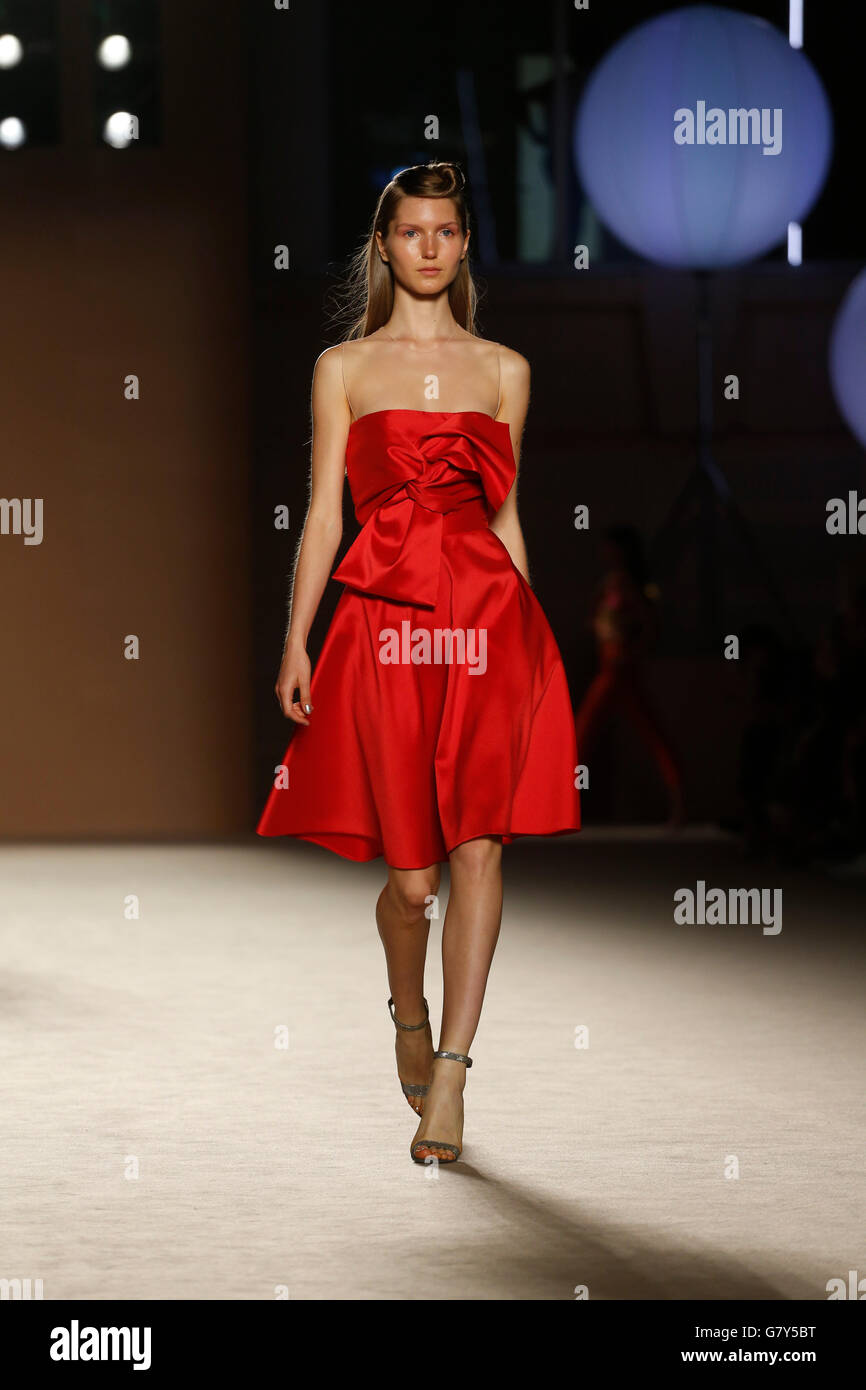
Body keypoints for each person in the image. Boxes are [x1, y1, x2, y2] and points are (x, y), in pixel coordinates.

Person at [257, 161, 581, 1165]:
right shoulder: (342, 369)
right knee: (411, 879)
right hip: (385, 627)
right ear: (383, 246)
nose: (430, 247)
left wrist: (532, 647)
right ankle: (406, 1012)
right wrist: (296, 637)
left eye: (446, 230)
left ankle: (450, 1072)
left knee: (479, 843)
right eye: (411, 232)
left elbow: (504, 515)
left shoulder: (504, 370)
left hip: (489, 624)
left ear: (464, 243)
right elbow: (322, 516)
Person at [574, 524, 684, 824]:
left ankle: (679, 799)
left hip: (618, 667)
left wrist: (633, 649)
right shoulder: (614, 582)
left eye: (610, 547)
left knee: (585, 733)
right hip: (610, 663)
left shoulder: (631, 585)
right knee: (589, 733)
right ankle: (563, 805)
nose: (604, 553)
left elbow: (648, 623)